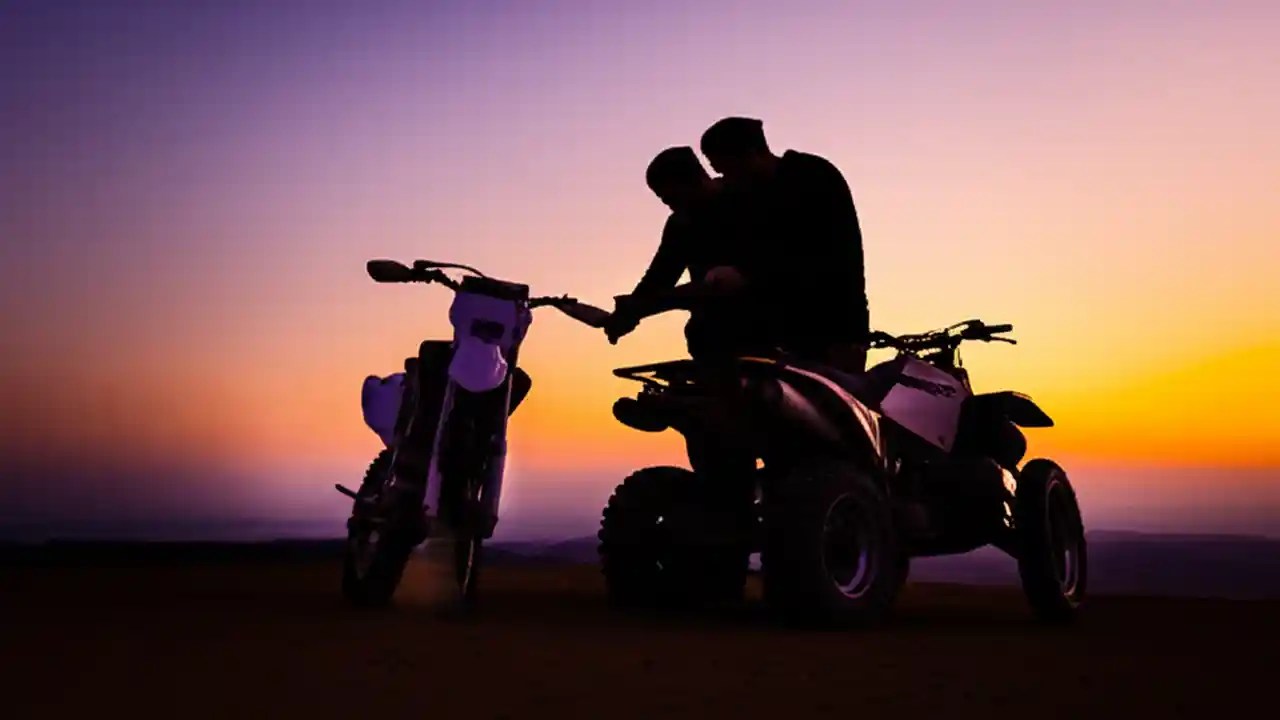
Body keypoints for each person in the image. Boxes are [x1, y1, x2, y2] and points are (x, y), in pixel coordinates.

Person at [698, 116, 871, 373]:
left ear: (750, 153)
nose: (725, 179)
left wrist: (746, 275)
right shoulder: (755, 196)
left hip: (834, 329)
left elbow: (826, 255)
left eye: (726, 169)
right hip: (787, 335)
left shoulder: (813, 176)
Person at [604, 146, 774, 361]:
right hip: (711, 335)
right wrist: (630, 313)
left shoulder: (747, 201)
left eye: (671, 198)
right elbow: (660, 275)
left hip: (766, 322)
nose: (669, 206)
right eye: (663, 200)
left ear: (695, 180)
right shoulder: (680, 223)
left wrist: (640, 306)